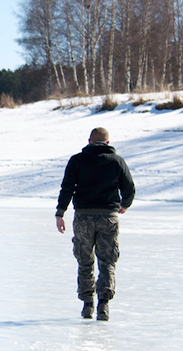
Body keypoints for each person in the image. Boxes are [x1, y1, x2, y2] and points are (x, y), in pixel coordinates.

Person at [55, 127, 135, 321]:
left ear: (89, 141)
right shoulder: (117, 161)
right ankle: (104, 305)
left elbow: (67, 188)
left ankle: (87, 305)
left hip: (83, 217)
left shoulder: (77, 160)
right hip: (108, 217)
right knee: (107, 261)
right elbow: (129, 188)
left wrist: (60, 213)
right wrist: (124, 205)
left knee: (85, 261)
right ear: (108, 143)